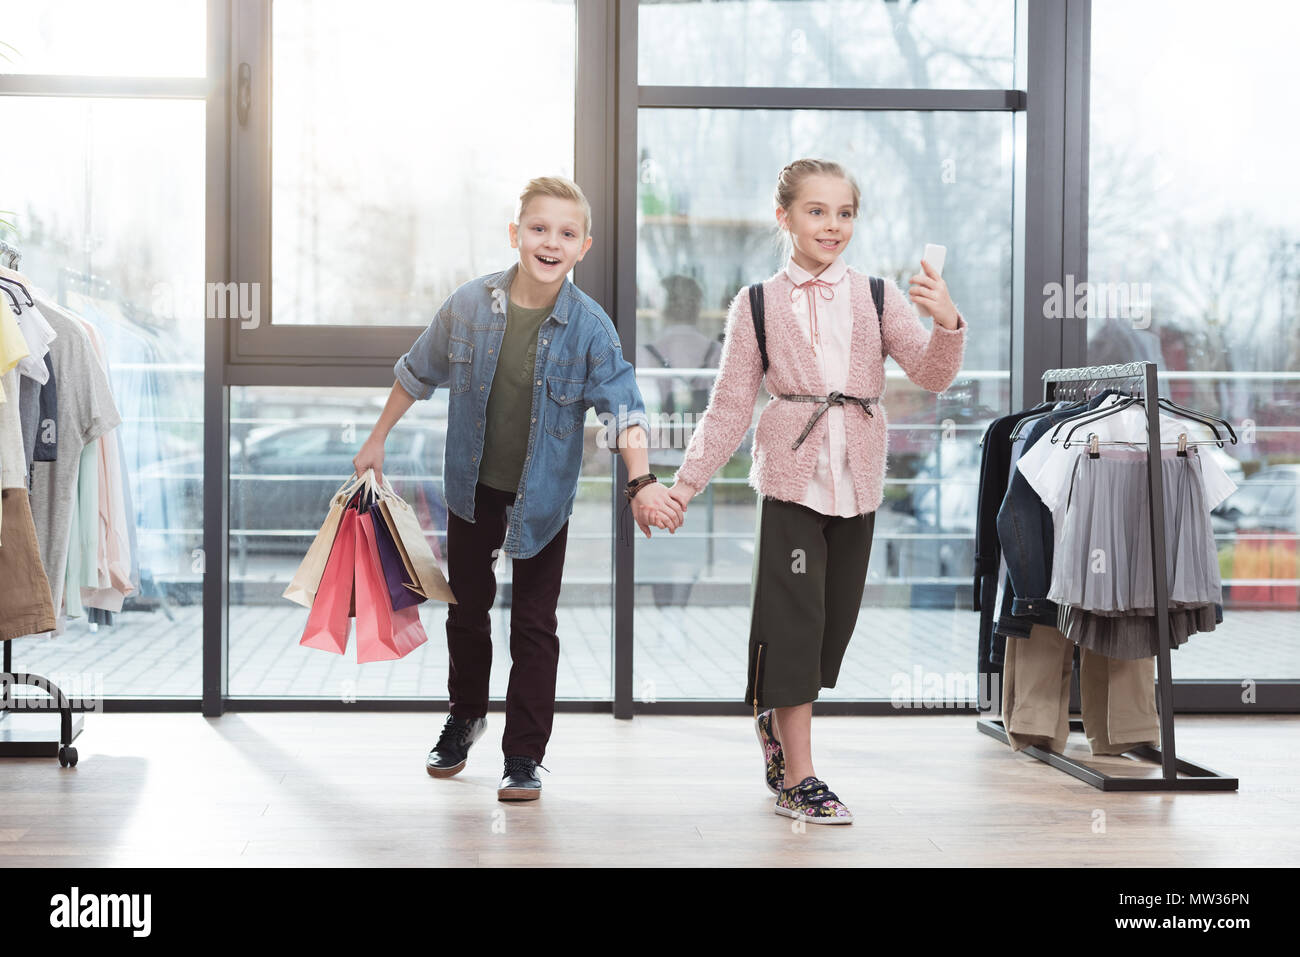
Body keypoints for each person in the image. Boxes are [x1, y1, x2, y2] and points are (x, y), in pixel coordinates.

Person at [353, 176, 683, 801]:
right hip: (473, 490)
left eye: (566, 233)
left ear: (583, 246)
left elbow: (624, 410)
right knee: (467, 612)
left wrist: (640, 481)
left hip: (544, 500)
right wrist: (377, 438)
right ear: (516, 234)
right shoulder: (470, 305)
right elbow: (416, 372)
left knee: (534, 625)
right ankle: (465, 716)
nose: (550, 242)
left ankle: (524, 756)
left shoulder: (591, 328)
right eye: (538, 229)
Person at [666, 158, 968, 824]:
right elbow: (727, 406)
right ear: (785, 217)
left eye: (845, 213)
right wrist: (686, 485)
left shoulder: (880, 296)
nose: (833, 225)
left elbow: (931, 374)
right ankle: (800, 776)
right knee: (795, 626)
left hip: (857, 482)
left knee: (832, 626)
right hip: (791, 479)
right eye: (817, 211)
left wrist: (946, 322)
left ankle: (774, 719)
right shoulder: (755, 305)